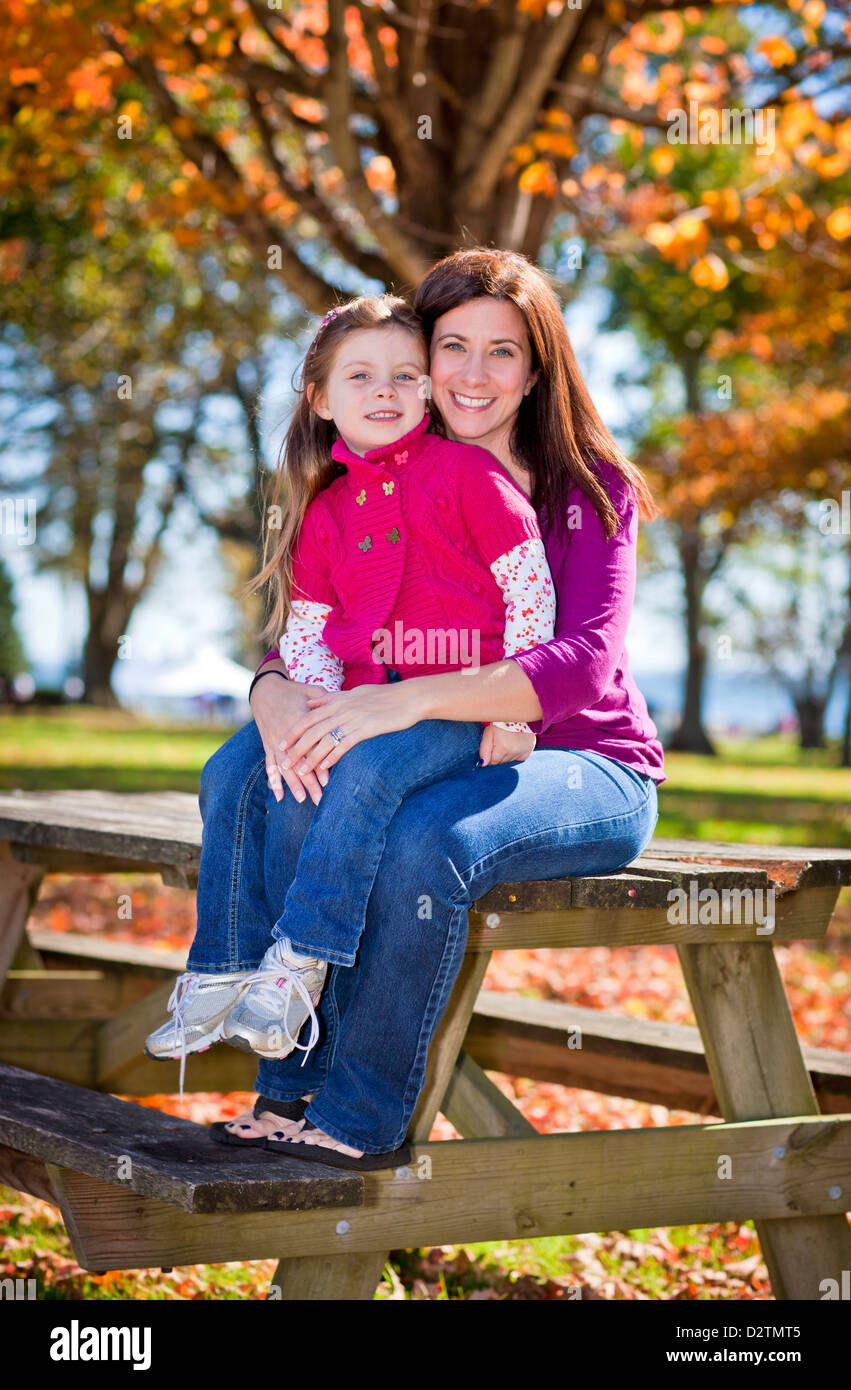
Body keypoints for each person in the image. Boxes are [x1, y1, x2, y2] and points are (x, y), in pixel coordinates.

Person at [148, 248, 665, 1171]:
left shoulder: (586, 488)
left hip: (586, 763)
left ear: (536, 371)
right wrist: (273, 693)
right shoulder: (384, 480)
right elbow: (327, 628)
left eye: (502, 352)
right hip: (415, 736)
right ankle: (283, 1083)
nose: (473, 373)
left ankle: (360, 1119)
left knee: (424, 841)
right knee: (279, 779)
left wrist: (403, 699)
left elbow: (584, 664)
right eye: (452, 347)